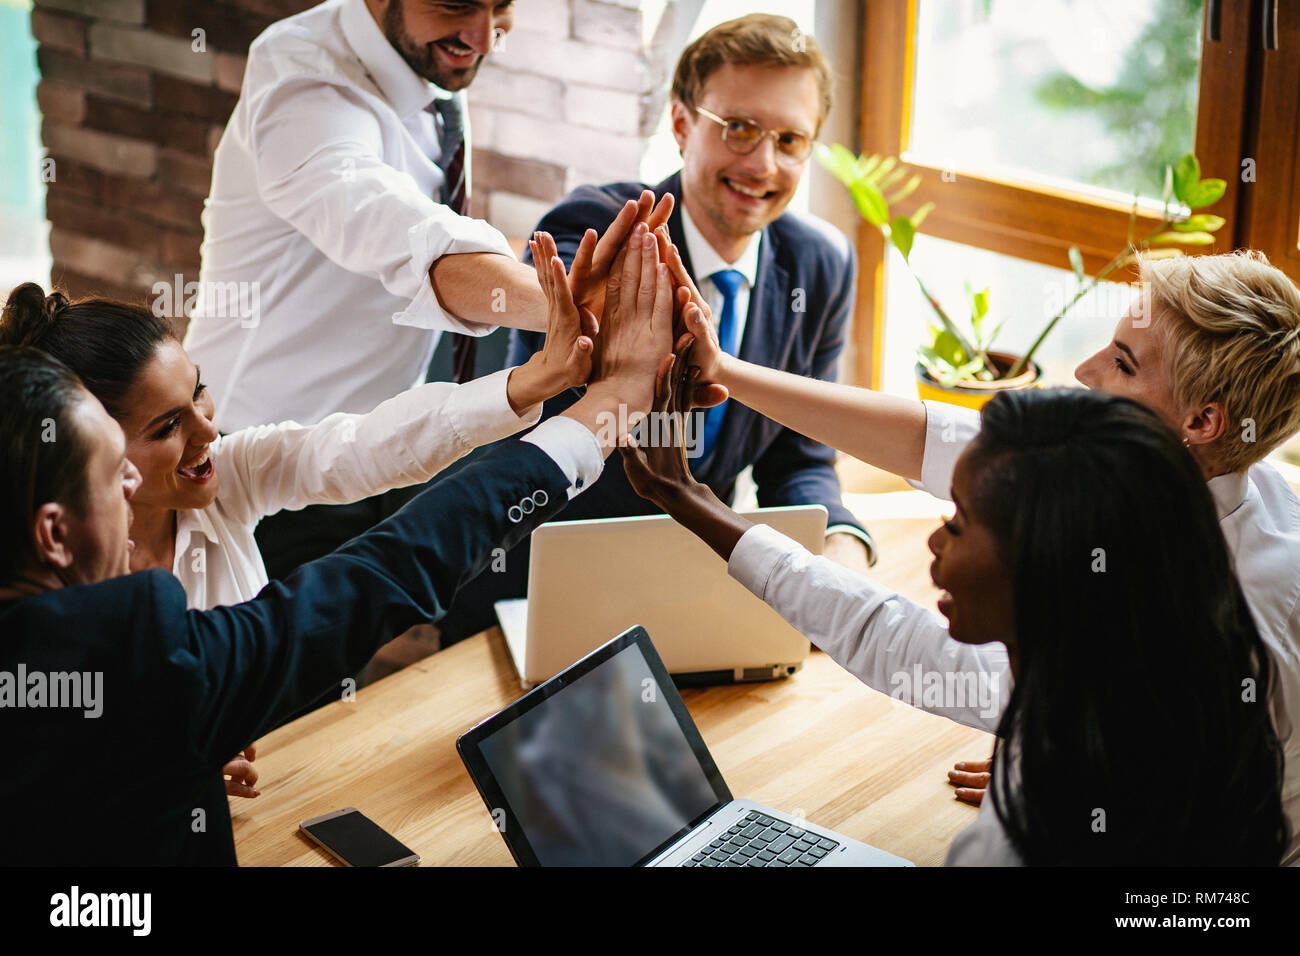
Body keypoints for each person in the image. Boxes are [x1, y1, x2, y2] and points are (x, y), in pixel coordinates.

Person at [0, 223, 676, 865]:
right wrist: (604, 409)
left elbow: (357, 449)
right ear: (52, 528)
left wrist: (534, 382)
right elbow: (386, 570)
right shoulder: (138, 645)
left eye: (201, 398)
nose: (207, 432)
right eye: (127, 454)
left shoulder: (215, 487)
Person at [670, 248, 1300, 863]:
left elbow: (905, 645)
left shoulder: (1183, 631)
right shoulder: (1216, 478)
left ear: (1202, 421)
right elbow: (935, 441)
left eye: (1123, 363)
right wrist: (725, 369)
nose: (1083, 371)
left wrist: (1061, 748)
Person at [182, 0, 670, 577]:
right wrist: (558, 305)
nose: (484, 35)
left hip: (378, 438)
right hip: (262, 462)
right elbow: (407, 239)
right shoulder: (305, 86)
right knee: (276, 658)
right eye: (456, 5)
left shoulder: (427, 54)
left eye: (502, 7)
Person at [435, 13, 874, 643]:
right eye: (741, 129)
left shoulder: (820, 265)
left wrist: (839, 546)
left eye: (790, 140)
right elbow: (562, 341)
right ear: (681, 124)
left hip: (688, 586)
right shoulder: (599, 222)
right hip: (532, 573)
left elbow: (798, 458)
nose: (763, 164)